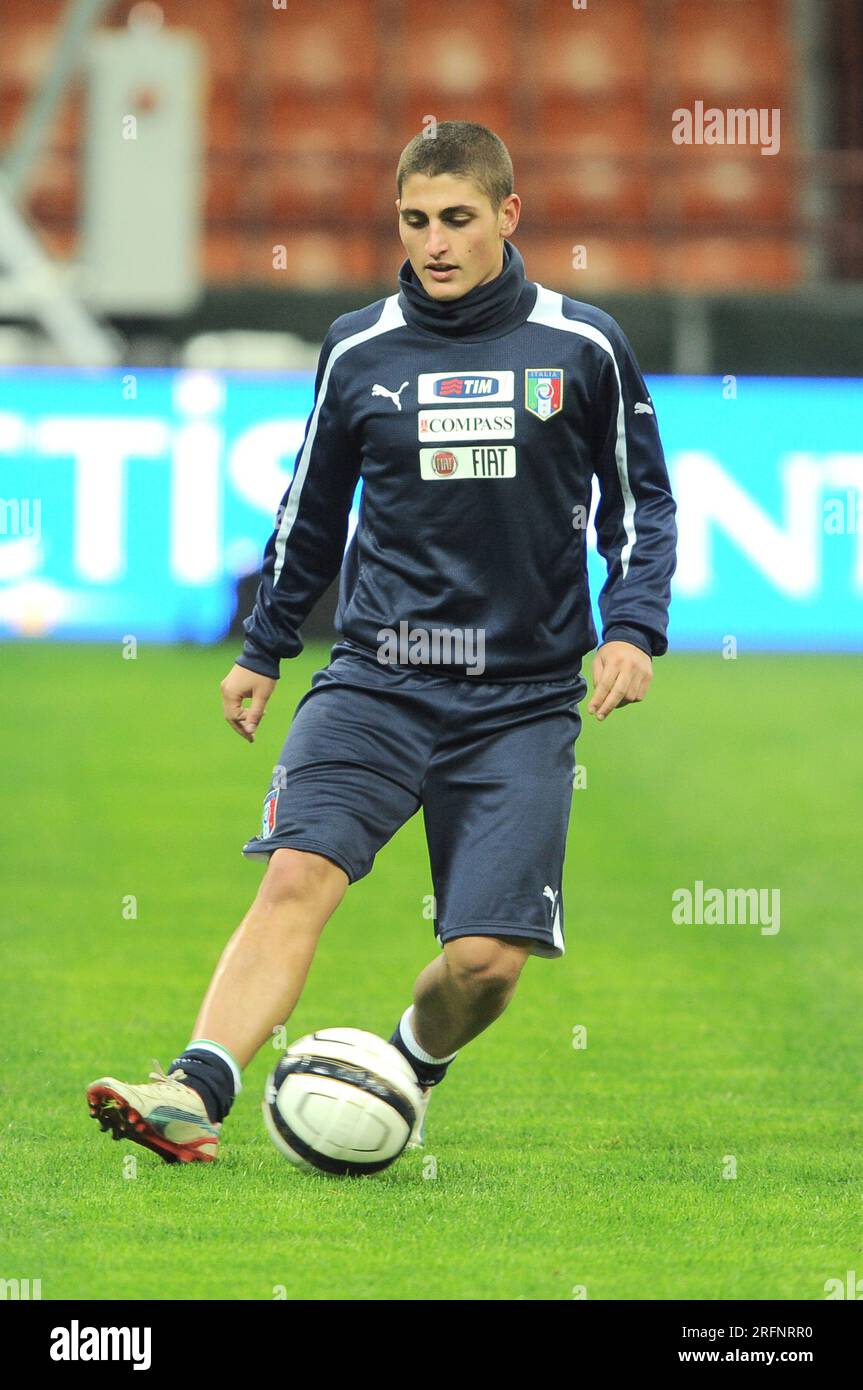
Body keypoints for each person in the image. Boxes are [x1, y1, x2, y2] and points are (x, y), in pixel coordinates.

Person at [87, 120, 677, 1164]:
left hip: (522, 698)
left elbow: (644, 505)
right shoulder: (359, 348)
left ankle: (404, 1065)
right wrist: (263, 647)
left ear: (507, 213)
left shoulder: (580, 346)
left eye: (456, 218)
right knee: (295, 874)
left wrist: (630, 627)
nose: (434, 243)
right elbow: (308, 512)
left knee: (487, 963)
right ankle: (193, 1087)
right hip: (376, 678)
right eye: (413, 221)